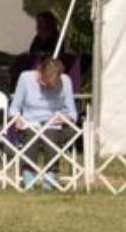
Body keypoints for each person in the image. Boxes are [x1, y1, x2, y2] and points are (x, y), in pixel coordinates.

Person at [9, 57, 78, 191]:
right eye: (43, 82)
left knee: (50, 133)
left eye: (50, 85)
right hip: (30, 123)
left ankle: (51, 175)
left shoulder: (66, 81)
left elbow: (72, 114)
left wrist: (65, 119)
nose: (45, 86)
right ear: (39, 70)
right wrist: (18, 119)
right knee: (32, 133)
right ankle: (28, 173)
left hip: (55, 125)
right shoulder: (25, 78)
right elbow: (14, 109)